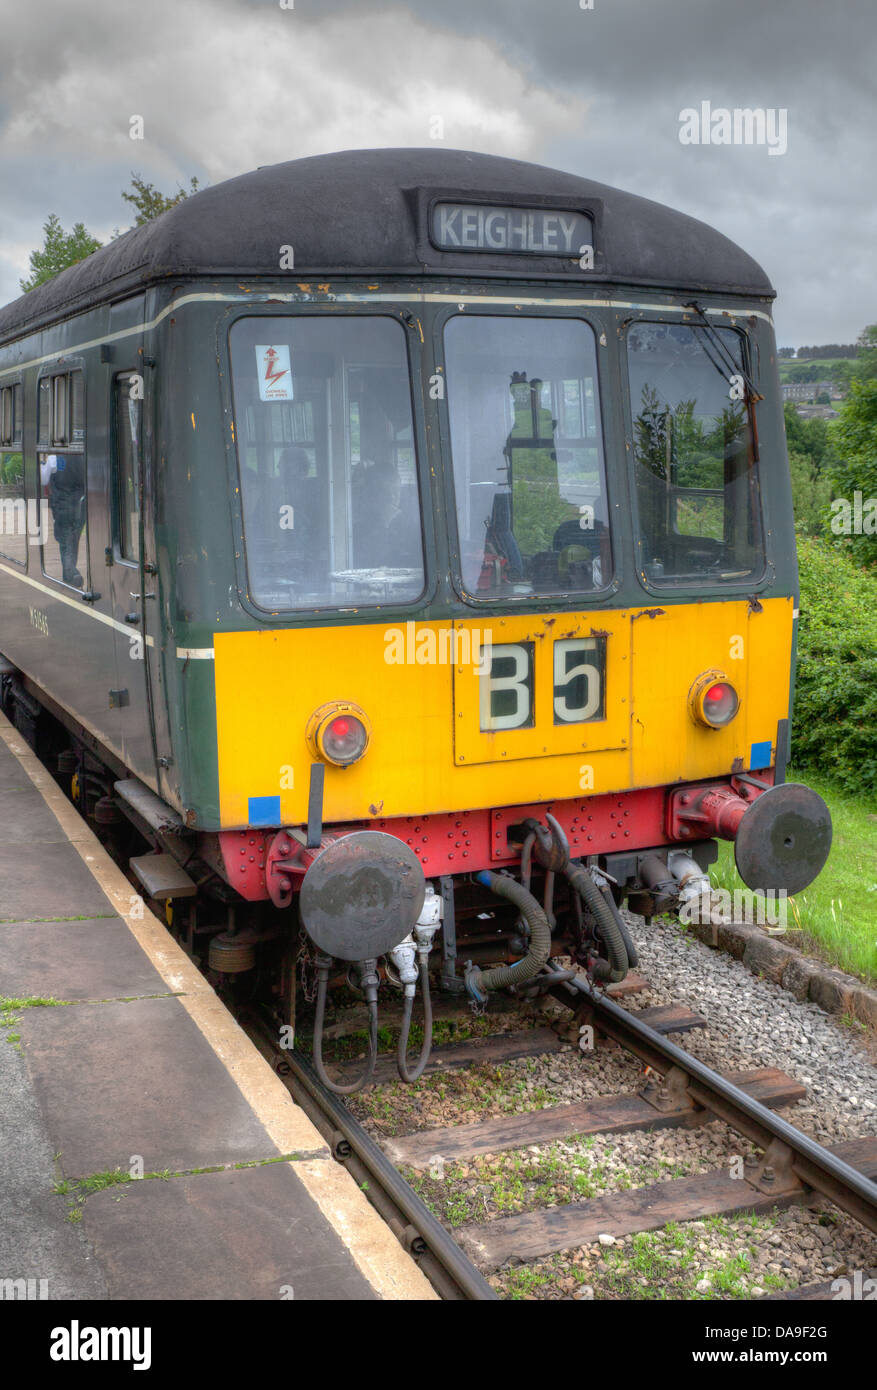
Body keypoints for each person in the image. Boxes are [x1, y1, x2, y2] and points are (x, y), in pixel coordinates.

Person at [43, 453, 86, 588]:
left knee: (65, 540)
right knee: (73, 539)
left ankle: (70, 573)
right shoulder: (83, 456)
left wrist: (40, 465)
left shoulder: (54, 459)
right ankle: (70, 571)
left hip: (63, 505)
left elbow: (44, 480)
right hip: (80, 505)